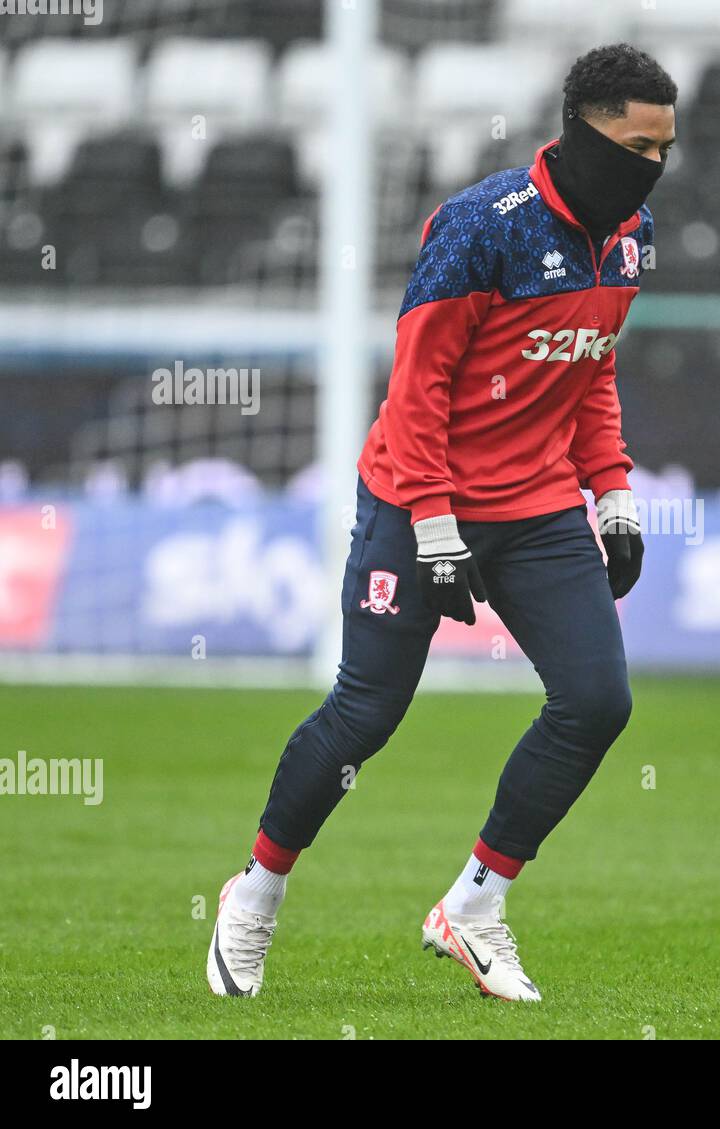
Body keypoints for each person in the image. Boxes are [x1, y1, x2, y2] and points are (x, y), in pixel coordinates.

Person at [206, 43, 677, 1002]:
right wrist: (430, 524)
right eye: (638, 144)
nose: (653, 165)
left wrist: (614, 490)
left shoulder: (632, 236)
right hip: (417, 497)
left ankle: (473, 907)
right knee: (364, 715)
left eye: (667, 147)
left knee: (597, 701)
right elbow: (417, 390)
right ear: (582, 129)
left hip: (539, 505)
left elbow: (590, 365)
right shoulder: (479, 227)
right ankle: (253, 896)